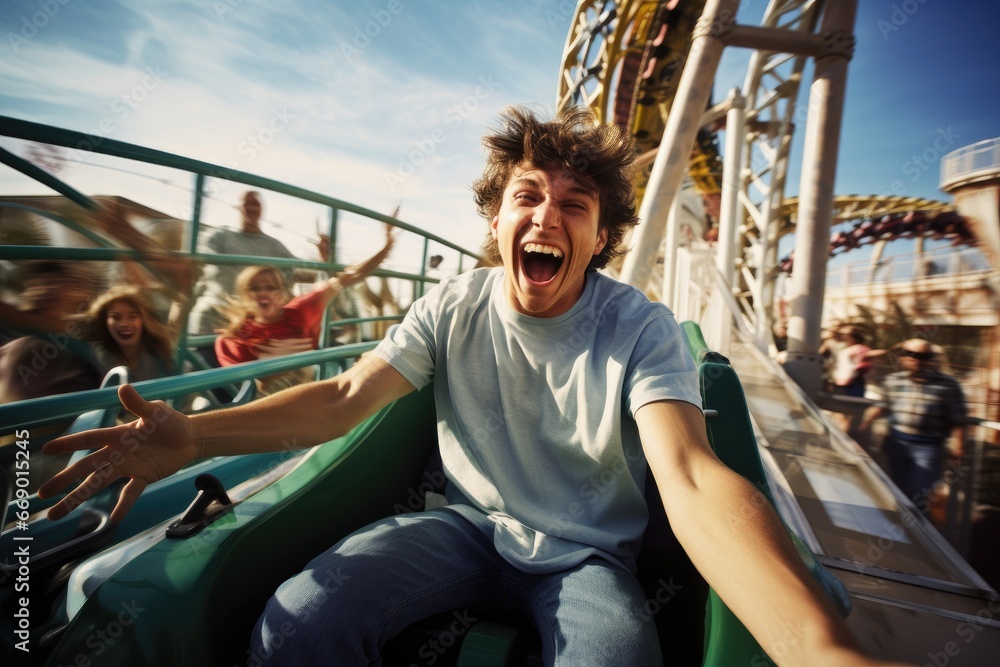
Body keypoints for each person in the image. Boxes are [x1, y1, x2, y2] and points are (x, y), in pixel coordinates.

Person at [39, 107, 910, 667]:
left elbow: (686, 476)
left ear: (601, 236)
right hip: (462, 528)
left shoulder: (637, 325)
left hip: (586, 558)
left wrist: (814, 643)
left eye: (575, 205)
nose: (546, 216)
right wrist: (194, 437)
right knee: (298, 623)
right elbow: (345, 397)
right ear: (495, 221)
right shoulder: (453, 304)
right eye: (528, 195)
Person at [214, 227, 395, 395]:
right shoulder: (234, 337)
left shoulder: (298, 311)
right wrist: (269, 366)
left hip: (309, 393)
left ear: (280, 293)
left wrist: (385, 248)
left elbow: (349, 277)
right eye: (254, 288)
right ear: (245, 295)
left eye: (270, 287)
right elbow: (243, 389)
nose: (263, 293)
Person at [860, 339, 966, 514]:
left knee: (919, 495)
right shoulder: (893, 380)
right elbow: (881, 406)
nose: (916, 359)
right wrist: (861, 429)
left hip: (928, 448)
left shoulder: (948, 385)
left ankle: (919, 533)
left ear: (930, 358)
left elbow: (957, 418)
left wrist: (958, 448)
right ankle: (902, 531)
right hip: (896, 444)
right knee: (898, 490)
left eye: (923, 356)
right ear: (902, 357)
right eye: (910, 354)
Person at [188, 191, 298, 336]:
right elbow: (200, 255)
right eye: (246, 203)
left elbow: (301, 270)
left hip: (252, 322)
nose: (251, 208)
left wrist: (324, 259)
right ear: (238, 207)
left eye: (255, 204)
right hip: (214, 313)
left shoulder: (275, 246)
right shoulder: (221, 235)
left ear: (261, 209)